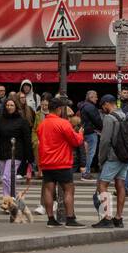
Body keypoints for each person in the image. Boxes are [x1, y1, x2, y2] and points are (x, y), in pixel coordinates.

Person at [38, 95, 84, 226]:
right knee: (69, 189)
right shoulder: (63, 123)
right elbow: (76, 141)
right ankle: (70, 219)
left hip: (46, 162)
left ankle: (51, 219)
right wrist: (80, 133)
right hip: (61, 162)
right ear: (58, 109)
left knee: (48, 190)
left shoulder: (42, 124)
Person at [92, 95, 128, 228]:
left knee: (102, 185)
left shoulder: (109, 118)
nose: (103, 109)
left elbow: (105, 141)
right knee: (120, 184)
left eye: (103, 106)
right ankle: (119, 217)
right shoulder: (127, 118)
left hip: (113, 157)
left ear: (106, 104)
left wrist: (101, 159)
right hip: (126, 157)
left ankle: (107, 217)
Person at [0, 93, 34, 197]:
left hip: (16, 152)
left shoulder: (22, 121)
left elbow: (27, 139)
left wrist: (30, 157)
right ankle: (14, 198)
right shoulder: (0, 119)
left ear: (16, 107)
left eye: (11, 105)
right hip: (2, 151)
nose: (9, 107)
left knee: (7, 177)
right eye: (7, 105)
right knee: (6, 178)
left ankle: (8, 200)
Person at [78, 90, 102, 178]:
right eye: (96, 96)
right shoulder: (90, 107)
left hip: (84, 131)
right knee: (90, 153)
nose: (97, 98)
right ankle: (86, 172)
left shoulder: (83, 106)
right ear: (91, 97)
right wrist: (102, 128)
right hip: (91, 132)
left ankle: (85, 171)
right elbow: (97, 120)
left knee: (85, 153)